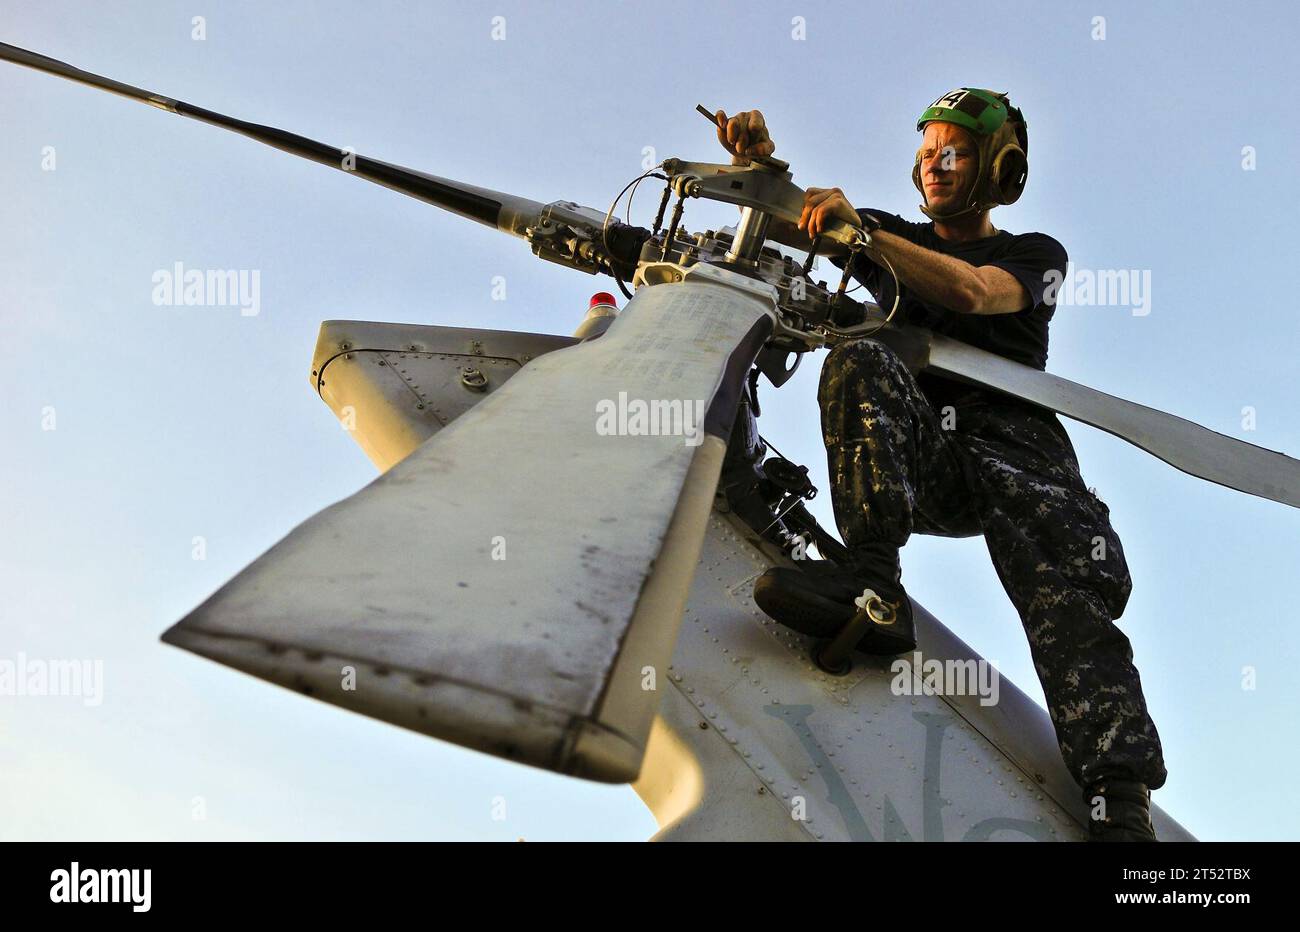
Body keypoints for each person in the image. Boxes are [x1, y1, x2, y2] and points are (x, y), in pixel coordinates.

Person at [713, 90, 1166, 841]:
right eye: (926, 154)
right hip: (926, 456)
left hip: (1020, 457)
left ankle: (1120, 803)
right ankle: (873, 587)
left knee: (1067, 598)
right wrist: (759, 168)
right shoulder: (883, 236)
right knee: (860, 358)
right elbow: (804, 219)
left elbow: (973, 290)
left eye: (951, 153)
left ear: (1000, 169)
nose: (934, 167)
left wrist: (867, 238)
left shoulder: (1034, 254)